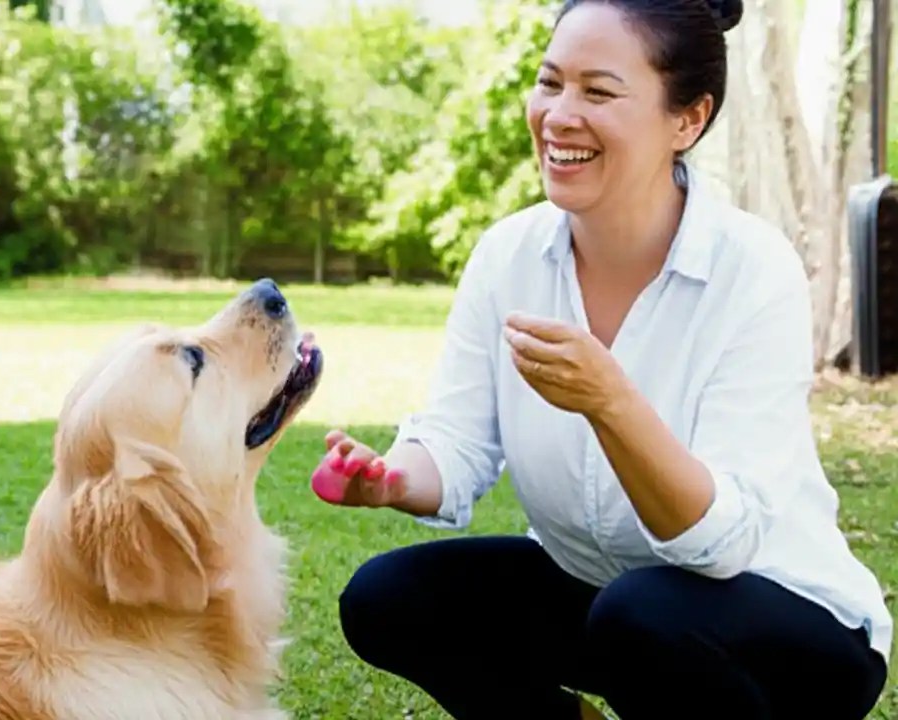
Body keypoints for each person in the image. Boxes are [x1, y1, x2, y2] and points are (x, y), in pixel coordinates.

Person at [316, 1, 893, 718]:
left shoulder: (754, 269)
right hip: (609, 593)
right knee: (388, 599)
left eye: (598, 92)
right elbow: (458, 442)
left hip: (785, 624)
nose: (558, 115)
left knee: (641, 612)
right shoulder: (509, 256)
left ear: (688, 120)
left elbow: (723, 543)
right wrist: (392, 477)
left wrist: (610, 402)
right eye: (550, 82)